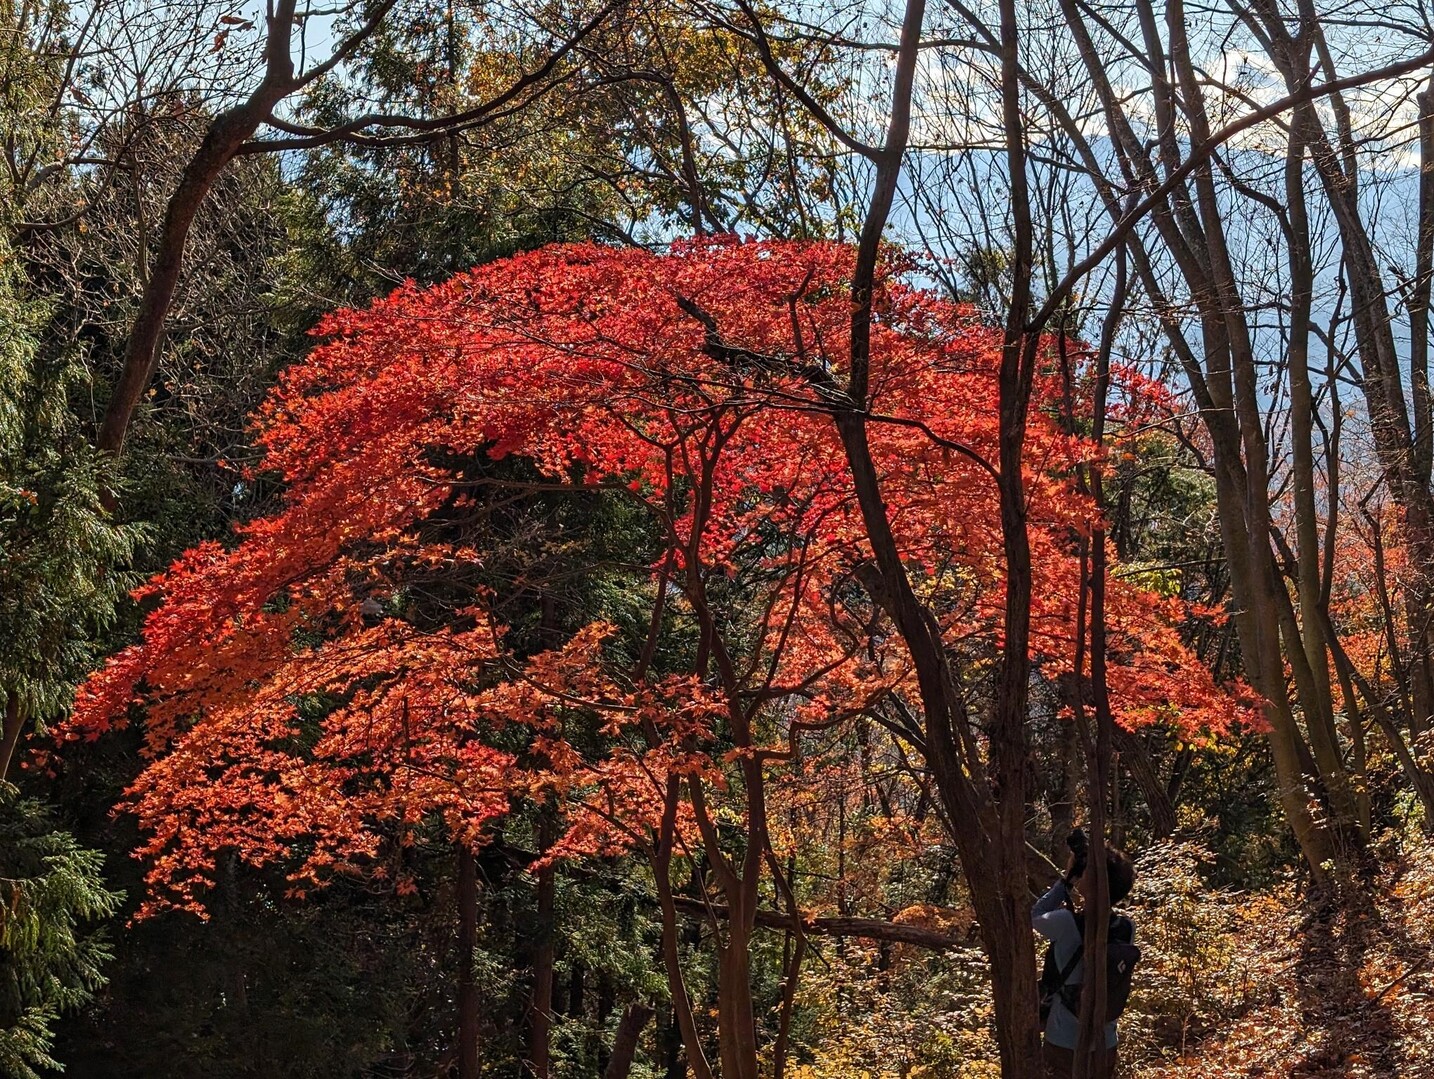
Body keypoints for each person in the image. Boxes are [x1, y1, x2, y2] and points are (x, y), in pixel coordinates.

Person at [1031, 837, 1136, 1079]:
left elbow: (1034, 915)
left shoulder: (1066, 923)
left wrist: (1066, 882)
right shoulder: (1126, 928)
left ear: (1093, 882)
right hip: (1105, 1040)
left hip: (1064, 1038)